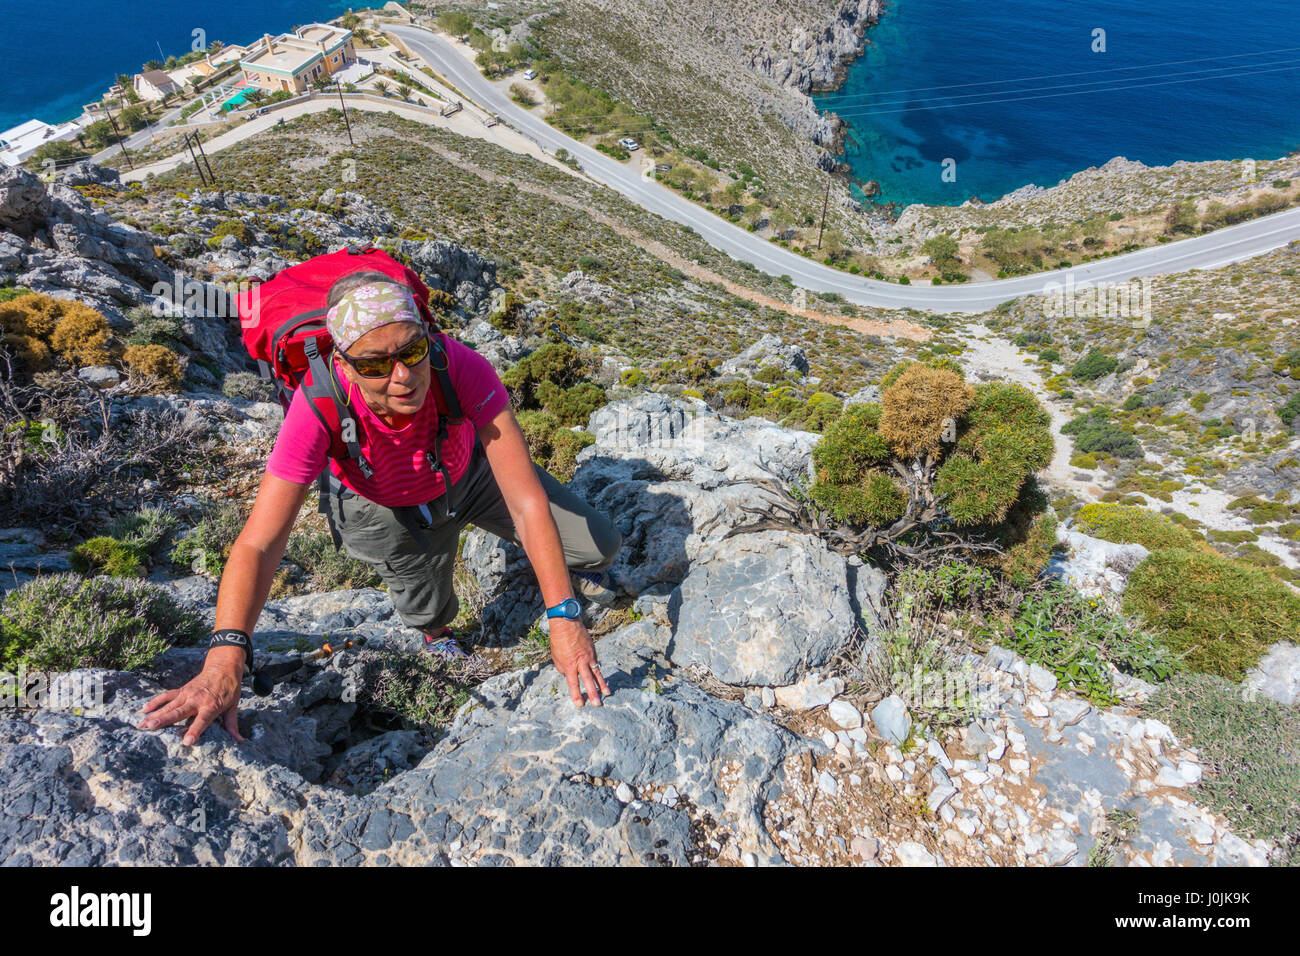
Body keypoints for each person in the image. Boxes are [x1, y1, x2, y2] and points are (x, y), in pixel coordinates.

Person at [139, 271, 623, 745]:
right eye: (374, 363)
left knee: (598, 546)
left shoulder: (459, 366)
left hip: (469, 474)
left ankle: (520, 565)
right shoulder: (317, 405)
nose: (403, 376)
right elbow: (260, 541)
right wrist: (226, 658)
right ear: (344, 364)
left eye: (412, 351)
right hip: (382, 504)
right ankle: (436, 631)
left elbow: (524, 499)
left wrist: (563, 615)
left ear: (427, 337)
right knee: (429, 609)